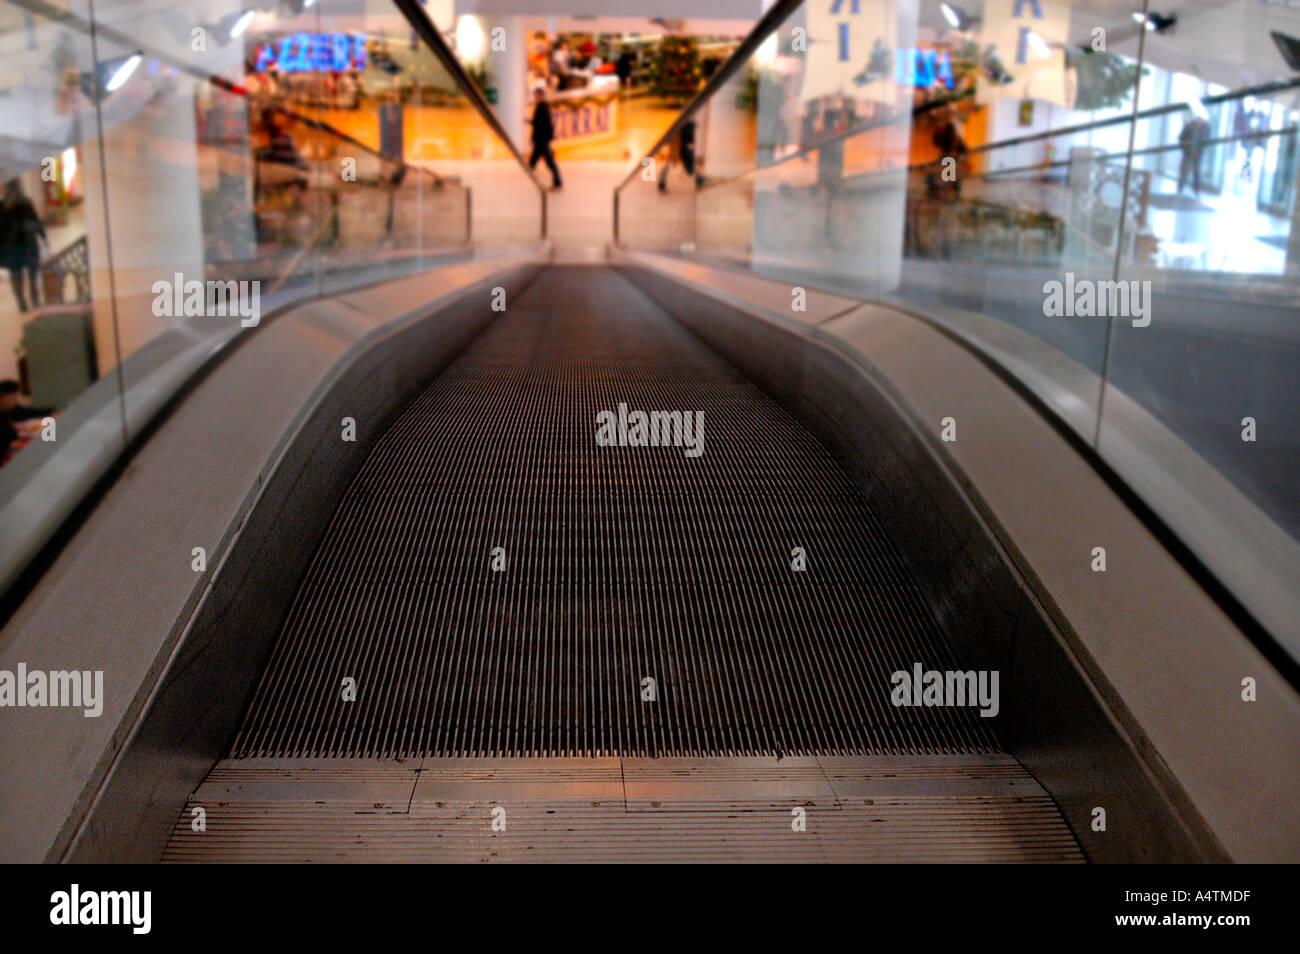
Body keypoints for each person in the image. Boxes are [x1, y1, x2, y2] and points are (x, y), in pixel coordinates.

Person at [0, 179, 48, 313]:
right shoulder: (25, 202)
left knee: (16, 274)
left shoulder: (3, 205)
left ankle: (21, 300)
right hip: (28, 243)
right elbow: (35, 220)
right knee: (32, 273)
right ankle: (34, 298)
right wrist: (43, 236)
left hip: (11, 246)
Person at [0, 379, 52, 466]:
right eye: (12, 396)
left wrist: (51, 412)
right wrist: (13, 428)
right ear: (1, 398)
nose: (15, 399)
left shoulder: (16, 409)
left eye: (16, 395)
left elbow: (32, 412)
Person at [527, 88, 562, 190]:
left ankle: (558, 181)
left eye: (538, 96)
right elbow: (538, 123)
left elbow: (546, 125)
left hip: (542, 140)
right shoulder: (540, 108)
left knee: (549, 161)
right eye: (536, 96)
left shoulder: (543, 108)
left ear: (542, 96)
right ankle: (530, 178)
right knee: (534, 161)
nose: (537, 98)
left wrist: (547, 138)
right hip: (539, 140)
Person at [1178, 115, 1209, 195]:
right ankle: (1179, 190)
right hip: (1188, 153)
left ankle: (1197, 191)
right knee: (1184, 172)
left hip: (1198, 154)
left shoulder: (1206, 128)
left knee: (1196, 173)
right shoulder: (1190, 126)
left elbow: (1206, 141)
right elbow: (1182, 138)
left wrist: (1198, 152)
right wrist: (1188, 150)